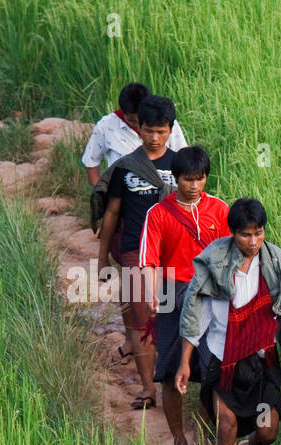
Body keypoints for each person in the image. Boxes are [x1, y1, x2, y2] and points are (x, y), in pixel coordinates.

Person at [176, 199, 281, 445]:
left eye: (258, 233)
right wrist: (185, 362)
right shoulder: (215, 264)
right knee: (226, 426)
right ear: (233, 233)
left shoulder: (275, 263)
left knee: (267, 430)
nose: (253, 242)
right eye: (245, 235)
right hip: (223, 361)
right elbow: (195, 315)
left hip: (262, 360)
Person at [137, 146, 229, 445]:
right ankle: (179, 443)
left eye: (200, 179)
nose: (194, 186)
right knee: (171, 371)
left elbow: (234, 257)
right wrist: (150, 294)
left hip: (210, 295)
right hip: (171, 292)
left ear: (206, 178)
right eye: (187, 180)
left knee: (213, 371)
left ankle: (204, 436)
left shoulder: (220, 210)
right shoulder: (158, 214)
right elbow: (148, 261)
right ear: (175, 179)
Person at [95, 94, 180, 409]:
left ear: (170, 130)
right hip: (134, 251)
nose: (154, 138)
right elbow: (112, 215)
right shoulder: (125, 168)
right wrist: (103, 258)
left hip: (172, 252)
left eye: (161, 131)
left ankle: (174, 380)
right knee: (142, 321)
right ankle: (148, 389)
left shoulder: (180, 165)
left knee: (171, 317)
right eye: (148, 130)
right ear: (138, 128)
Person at [81, 82, 188, 186]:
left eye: (142, 120)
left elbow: (183, 157)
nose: (138, 126)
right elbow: (91, 160)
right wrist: (101, 194)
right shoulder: (106, 126)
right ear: (123, 112)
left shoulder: (166, 123)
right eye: (132, 121)